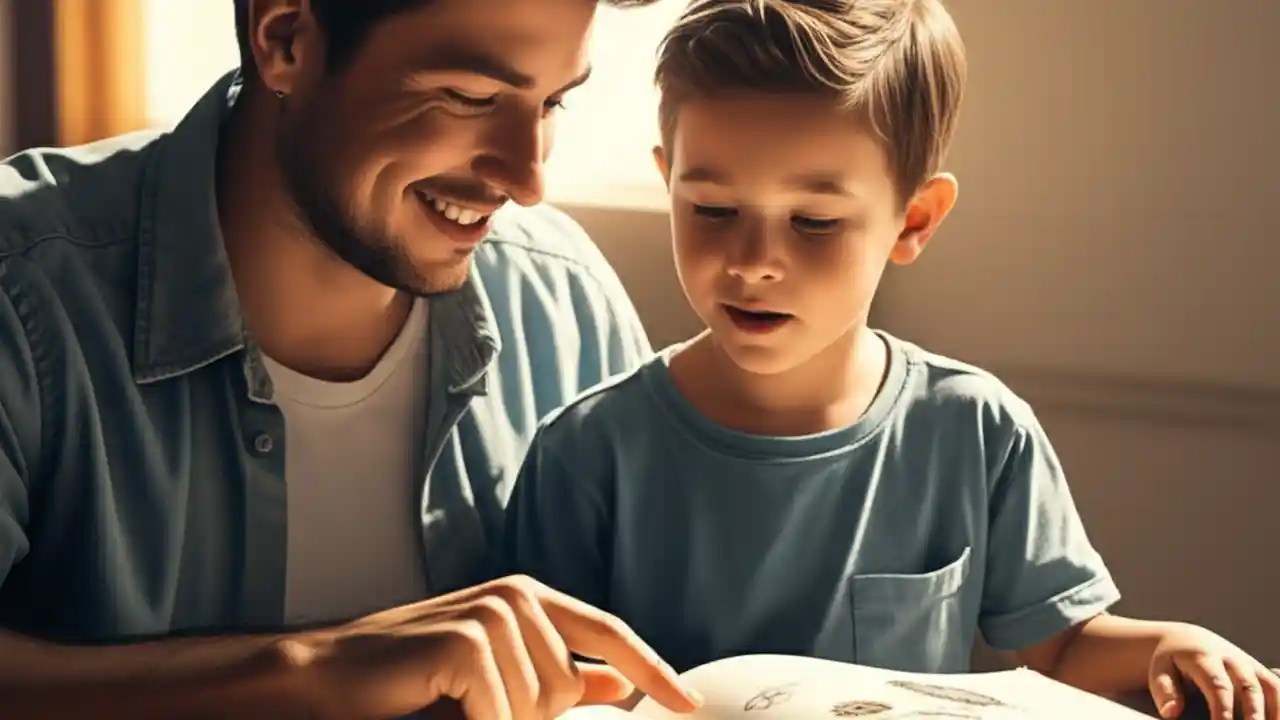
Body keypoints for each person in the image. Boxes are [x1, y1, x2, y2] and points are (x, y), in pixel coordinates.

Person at [501, 1, 1280, 719]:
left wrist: (1170, 644)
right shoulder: (587, 452)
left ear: (914, 221)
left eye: (813, 221)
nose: (753, 261)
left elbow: (1065, 645)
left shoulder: (975, 430)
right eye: (713, 209)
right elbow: (540, 688)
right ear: (668, 180)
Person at [0, 0, 704, 718]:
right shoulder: (20, 294)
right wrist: (303, 674)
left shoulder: (564, 304)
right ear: (286, 38)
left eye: (551, 102)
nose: (528, 180)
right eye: (470, 97)